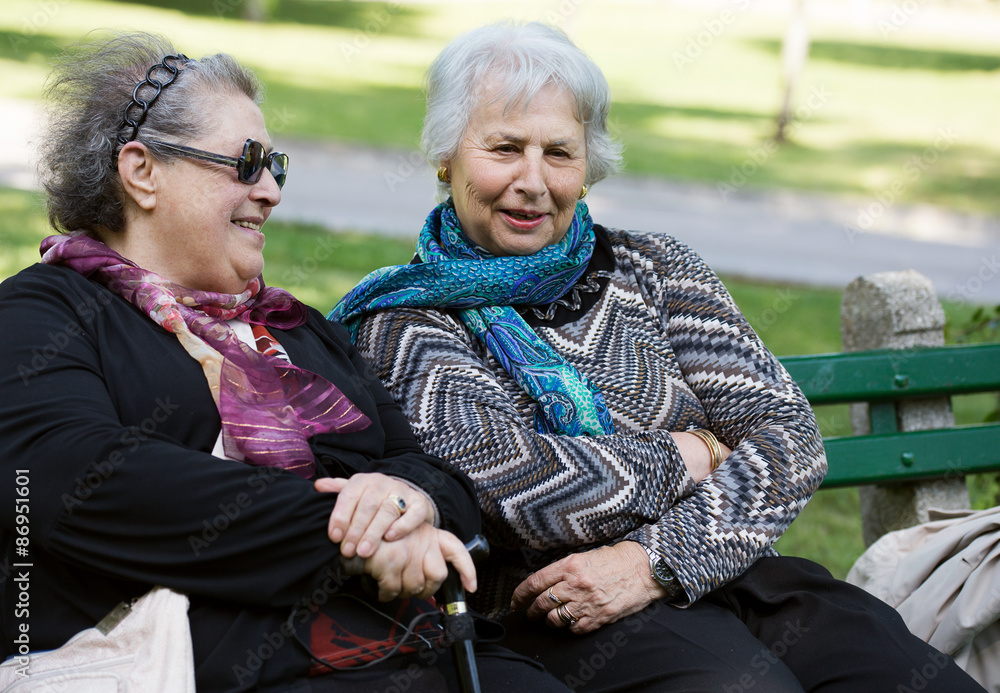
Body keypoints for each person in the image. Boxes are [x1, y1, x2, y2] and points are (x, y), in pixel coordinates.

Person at [330, 20, 987, 693]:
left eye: (559, 151)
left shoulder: (654, 267)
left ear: (589, 165)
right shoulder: (405, 320)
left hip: (730, 571)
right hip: (556, 605)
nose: (533, 180)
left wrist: (654, 559)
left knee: (914, 679)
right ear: (447, 156)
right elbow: (515, 490)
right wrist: (696, 452)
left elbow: (789, 442)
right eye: (504, 148)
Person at [0, 31, 572, 693]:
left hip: (404, 650)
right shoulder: (42, 314)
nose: (270, 190)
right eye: (246, 162)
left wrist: (406, 498)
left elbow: (432, 474)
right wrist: (352, 536)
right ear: (141, 171)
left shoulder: (293, 330)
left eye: (277, 165)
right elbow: (81, 480)